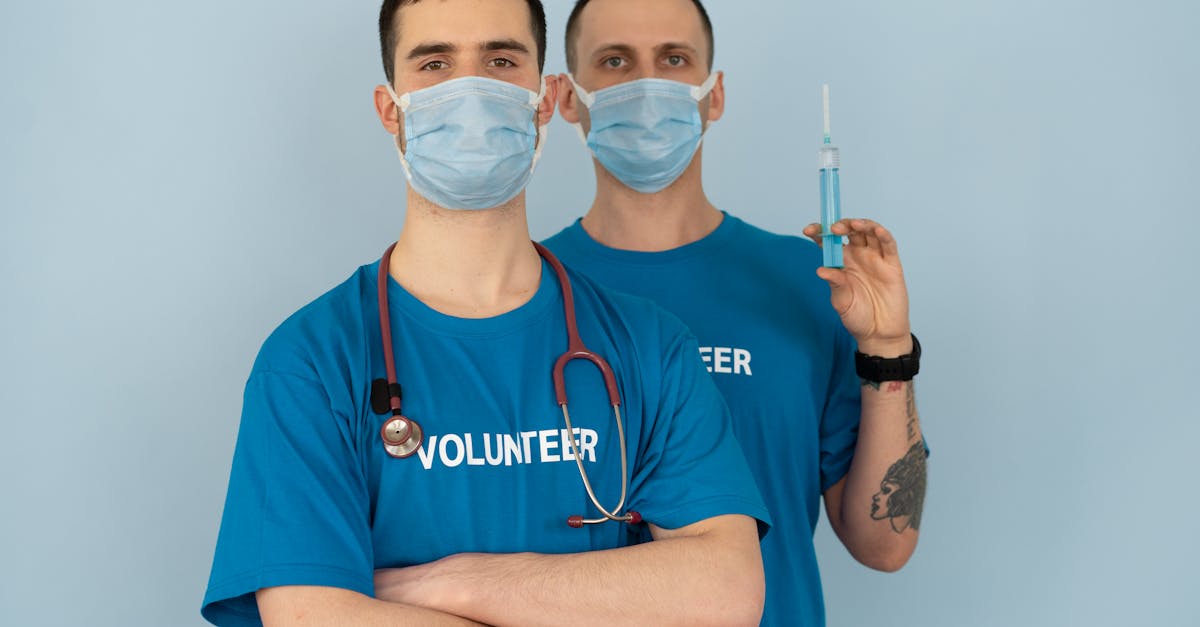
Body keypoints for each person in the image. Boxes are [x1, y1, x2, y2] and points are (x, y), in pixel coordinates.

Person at [200, 0, 771, 625]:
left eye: (501, 60)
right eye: (435, 63)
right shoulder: (312, 361)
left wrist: (459, 582)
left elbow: (723, 592)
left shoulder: (649, 346)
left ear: (546, 97)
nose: (470, 90)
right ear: (391, 110)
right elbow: (308, 616)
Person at [542, 0, 929, 625]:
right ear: (565, 97)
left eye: (674, 59)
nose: (647, 86)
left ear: (713, 94)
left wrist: (887, 349)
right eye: (615, 62)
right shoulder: (525, 291)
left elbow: (885, 544)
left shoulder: (811, 284)